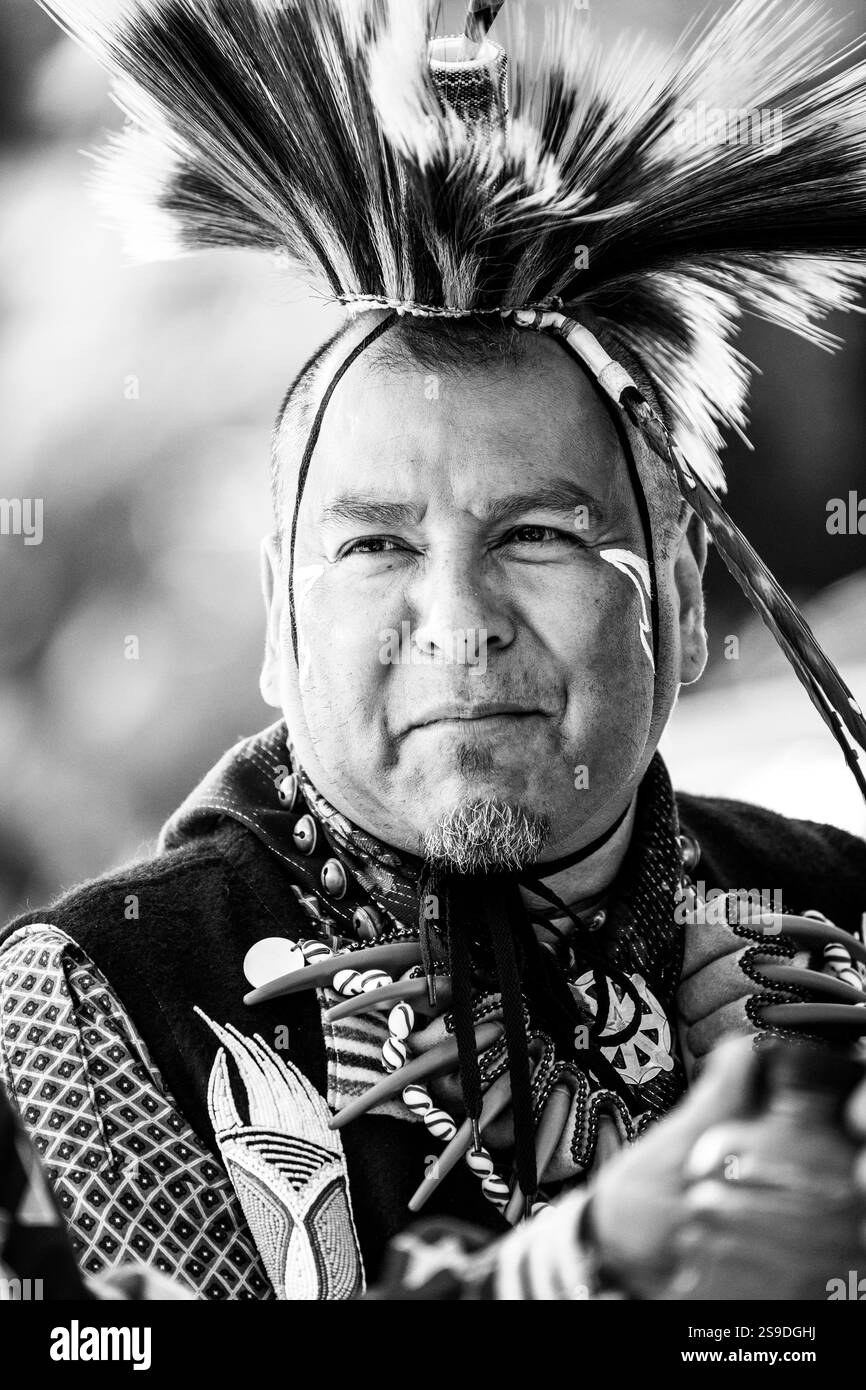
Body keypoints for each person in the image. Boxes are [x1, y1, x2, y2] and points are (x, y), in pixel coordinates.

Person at [2, 0, 866, 1300]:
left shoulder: (834, 917)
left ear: (680, 595)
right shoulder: (103, 1000)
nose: (458, 618)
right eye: (376, 547)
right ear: (279, 627)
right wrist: (597, 1263)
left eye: (534, 533)